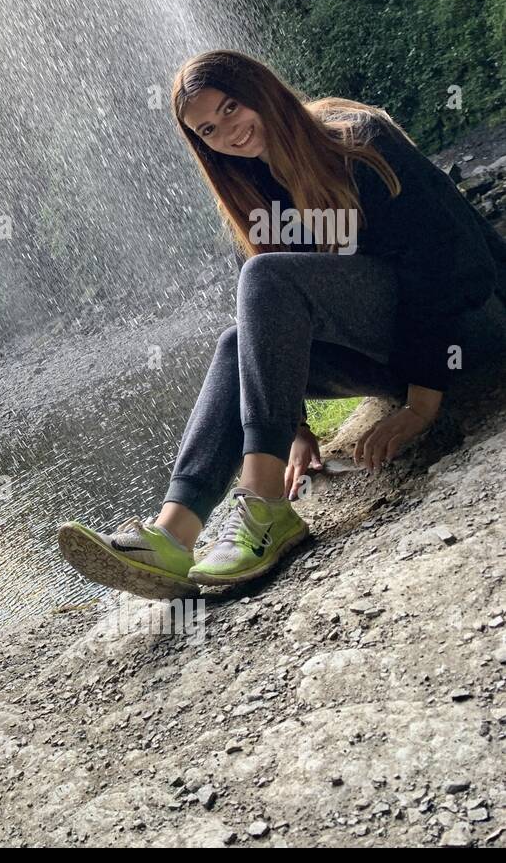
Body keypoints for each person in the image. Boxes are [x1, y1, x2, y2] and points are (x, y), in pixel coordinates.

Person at [58, 49, 506, 600]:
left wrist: (421, 403)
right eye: (208, 129)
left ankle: (264, 505)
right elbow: (276, 324)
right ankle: (173, 534)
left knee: (266, 278)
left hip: (472, 328)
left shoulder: (356, 141)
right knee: (234, 343)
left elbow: (451, 267)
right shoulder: (253, 189)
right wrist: (293, 426)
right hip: (391, 350)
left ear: (261, 91)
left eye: (230, 107)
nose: (227, 131)